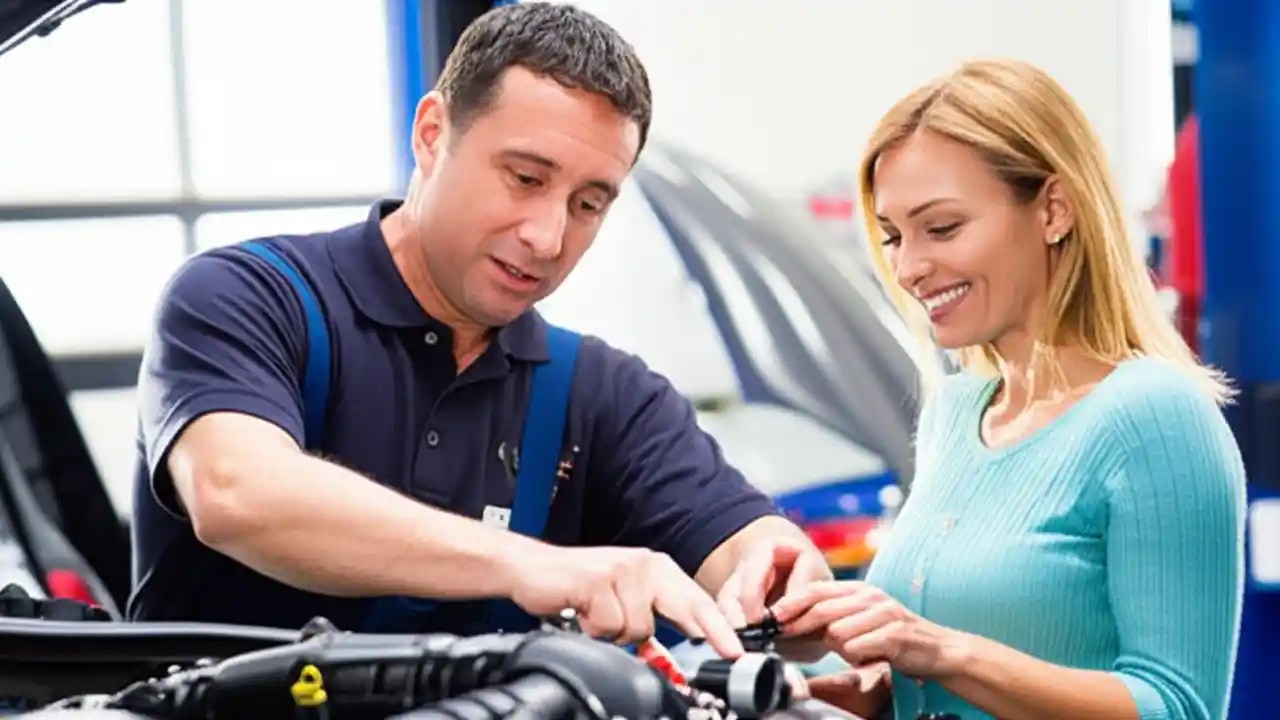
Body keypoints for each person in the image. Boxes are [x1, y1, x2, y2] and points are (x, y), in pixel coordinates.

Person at [127, 2, 830, 659]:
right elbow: (237, 492)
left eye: (589, 204)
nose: (549, 236)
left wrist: (776, 570)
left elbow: (742, 544)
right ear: (433, 134)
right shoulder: (247, 297)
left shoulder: (602, 393)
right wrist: (536, 566)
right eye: (525, 178)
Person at [772, 59, 1246, 719]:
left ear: (1053, 209)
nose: (909, 268)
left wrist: (942, 655)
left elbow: (1178, 705)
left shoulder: (1156, 419)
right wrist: (884, 694)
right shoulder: (955, 415)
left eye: (941, 228)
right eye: (893, 237)